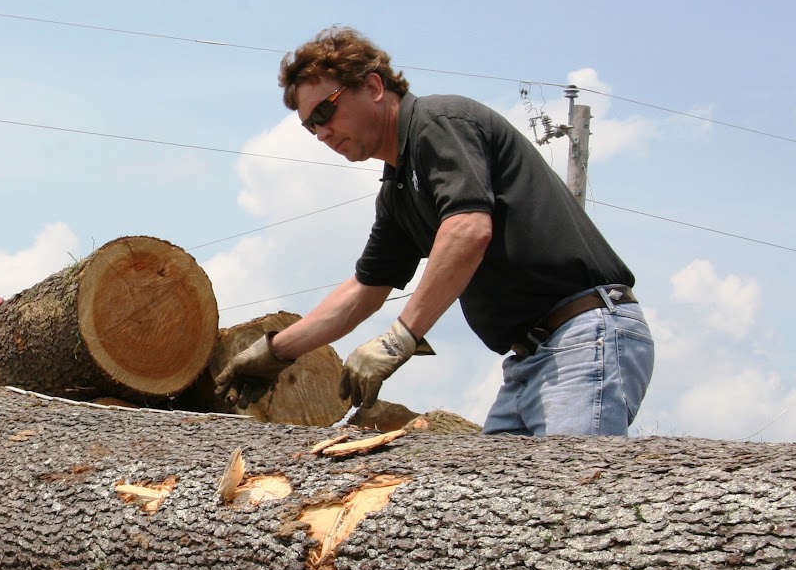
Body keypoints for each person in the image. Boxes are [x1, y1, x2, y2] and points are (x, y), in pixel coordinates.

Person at [214, 26, 654, 436]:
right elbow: (366, 289)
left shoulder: (440, 123)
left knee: (568, 502)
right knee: (501, 509)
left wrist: (398, 339)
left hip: (583, 334)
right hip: (529, 359)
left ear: (373, 86)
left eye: (326, 110)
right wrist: (276, 352)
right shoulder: (397, 189)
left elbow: (467, 229)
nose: (321, 132)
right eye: (311, 125)